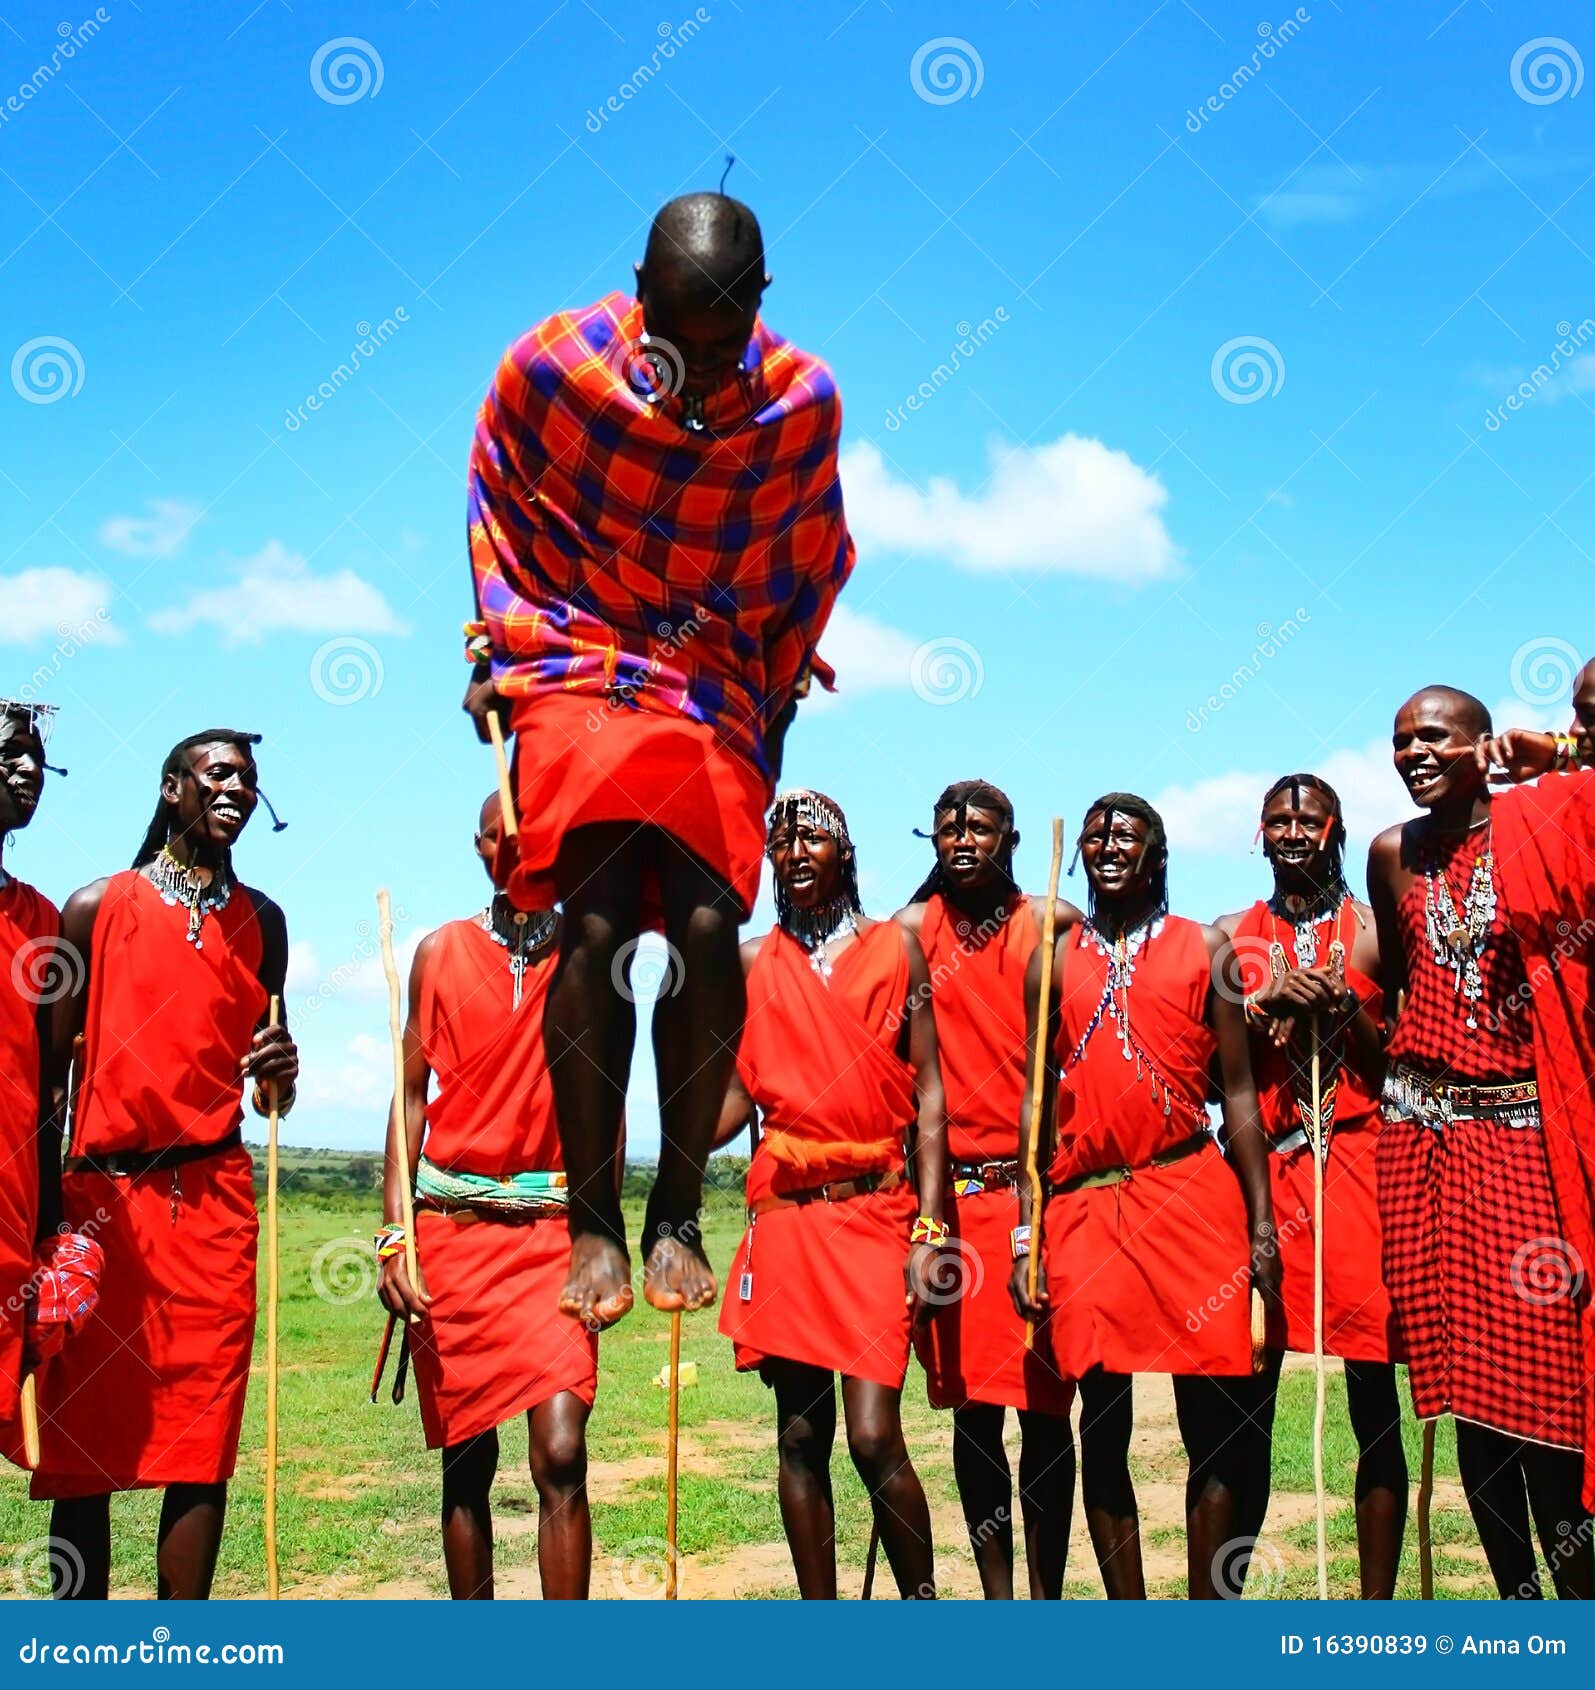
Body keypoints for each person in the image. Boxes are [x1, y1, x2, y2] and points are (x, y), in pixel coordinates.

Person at [462, 189, 855, 1330]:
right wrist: (495, 638)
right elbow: (496, 495)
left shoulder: (798, 400)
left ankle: (675, 1202)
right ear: (636, 290)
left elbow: (803, 554)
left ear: (762, 307)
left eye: (721, 338)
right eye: (674, 331)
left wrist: (779, 686)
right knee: (588, 925)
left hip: (712, 677)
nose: (696, 360)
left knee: (698, 928)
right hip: (575, 655)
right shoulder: (553, 366)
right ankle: (591, 1214)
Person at [31, 730, 297, 1600]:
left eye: (248, 781)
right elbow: (49, 1082)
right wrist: (43, 1226)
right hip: (101, 1203)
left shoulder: (265, 921)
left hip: (215, 1203)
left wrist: (282, 1075)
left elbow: (270, 1097)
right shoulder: (95, 908)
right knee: (86, 1448)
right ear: (172, 786)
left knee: (204, 1434)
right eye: (219, 774)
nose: (237, 790)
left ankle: (180, 1648)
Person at [1012, 793, 1281, 1600]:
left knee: (1212, 1424)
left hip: (1191, 1193)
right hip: (1086, 1206)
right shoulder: (1051, 959)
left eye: (1125, 835)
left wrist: (1260, 1223)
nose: (1106, 845)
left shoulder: (1206, 947)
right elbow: (1033, 1110)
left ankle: (1203, 1623)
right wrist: (1028, 1237)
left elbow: (1236, 1096)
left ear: (1157, 855)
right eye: (1094, 835)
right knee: (1102, 1422)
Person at [1368, 685, 1593, 1599]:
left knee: (1544, 1390)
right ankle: (1514, 1602)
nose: (1414, 752)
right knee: (1464, 1390)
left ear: (1476, 744)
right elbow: (1394, 985)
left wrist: (1569, 747)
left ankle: (1577, 1602)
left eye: (1433, 737)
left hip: (1521, 1142)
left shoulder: (1542, 825)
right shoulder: (1393, 853)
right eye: (1399, 741)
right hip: (1418, 1144)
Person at [714, 790, 945, 1599]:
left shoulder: (894, 950)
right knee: (799, 1435)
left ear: (844, 853)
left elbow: (929, 1098)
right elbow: (732, 1106)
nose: (795, 852)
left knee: (874, 1438)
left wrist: (930, 1223)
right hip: (786, 1219)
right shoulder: (751, 963)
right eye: (781, 843)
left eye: (812, 838)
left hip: (876, 1213)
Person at [377, 795, 597, 1599]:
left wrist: (604, 1239)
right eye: (505, 839)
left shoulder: (587, 954)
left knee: (561, 1456)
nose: (522, 852)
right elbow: (408, 1098)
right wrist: (394, 1233)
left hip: (551, 1237)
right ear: (480, 847)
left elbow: (603, 1105)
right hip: (454, 1236)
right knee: (466, 1463)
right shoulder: (440, 952)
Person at [1214, 773, 1407, 1598]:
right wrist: (1261, 1002)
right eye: (1277, 822)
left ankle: (1370, 1615)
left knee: (1372, 1397)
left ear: (1333, 831)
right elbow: (1210, 1069)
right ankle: (1219, 1605)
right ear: (1259, 835)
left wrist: (1343, 1008)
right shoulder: (1228, 935)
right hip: (1265, 1176)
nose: (1292, 833)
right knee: (1245, 1401)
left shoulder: (1368, 933)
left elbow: (1396, 1071)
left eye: (1308, 821)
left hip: (1358, 1169)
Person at [895, 779, 1079, 1599]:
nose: (963, 839)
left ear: (1008, 838)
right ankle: (996, 1600)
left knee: (1046, 1412)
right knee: (972, 1416)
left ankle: (1044, 1602)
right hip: (950, 1201)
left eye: (980, 828)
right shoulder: (907, 934)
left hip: (1036, 1194)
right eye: (948, 828)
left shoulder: (1053, 922)